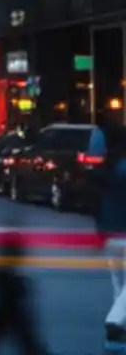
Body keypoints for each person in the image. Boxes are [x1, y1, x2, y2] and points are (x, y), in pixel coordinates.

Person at [93, 119, 126, 351]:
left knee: (119, 283)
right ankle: (115, 321)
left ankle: (118, 332)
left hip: (110, 233)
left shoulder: (108, 167)